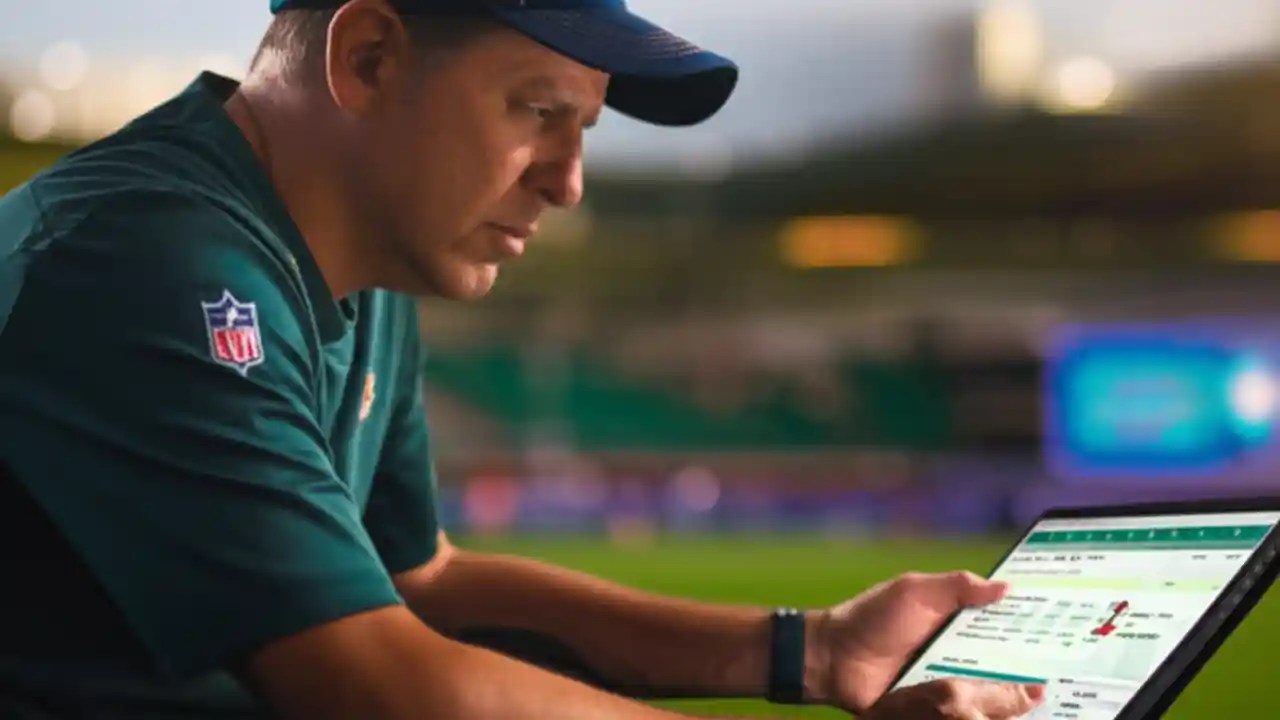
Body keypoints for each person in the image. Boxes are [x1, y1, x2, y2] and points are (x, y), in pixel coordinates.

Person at [0, 1, 1047, 718]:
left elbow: (418, 584)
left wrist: (808, 649)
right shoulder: (143, 256)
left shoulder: (360, 272)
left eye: (583, 127)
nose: (569, 181)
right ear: (367, 55)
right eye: (540, 112)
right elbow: (380, 685)